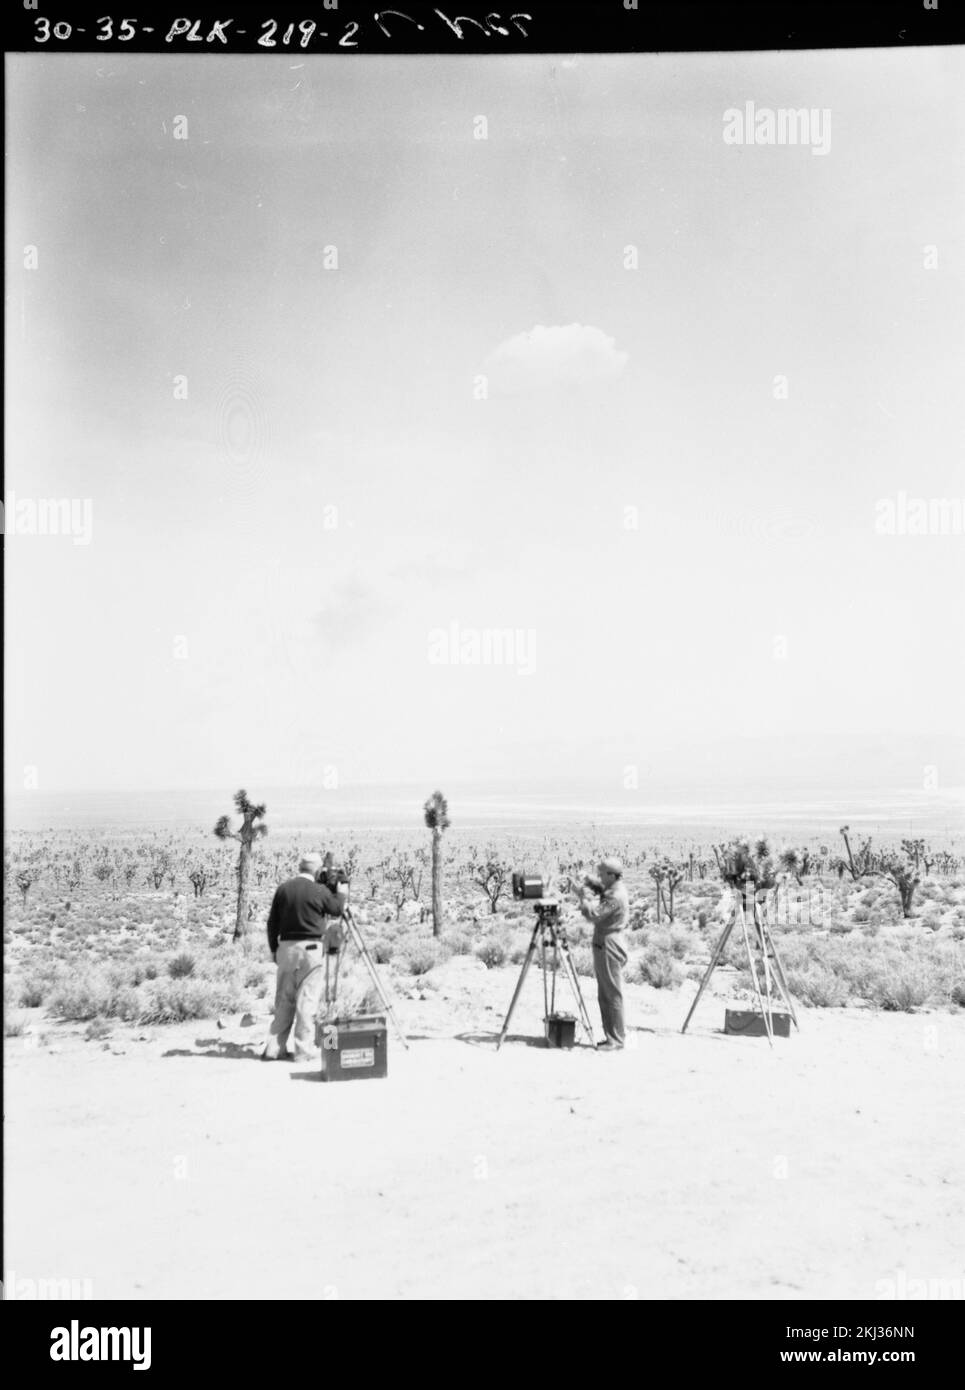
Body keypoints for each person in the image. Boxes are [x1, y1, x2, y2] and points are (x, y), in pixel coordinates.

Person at [262, 853, 346, 1062]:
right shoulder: (319, 890)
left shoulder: (284, 889)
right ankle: (303, 1051)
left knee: (284, 1000)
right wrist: (342, 891)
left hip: (286, 950)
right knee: (306, 1001)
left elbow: (272, 923)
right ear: (318, 871)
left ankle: (274, 1048)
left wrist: (274, 949)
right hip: (311, 949)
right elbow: (336, 910)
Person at [573, 856, 629, 1050]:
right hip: (604, 941)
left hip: (609, 944)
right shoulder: (614, 888)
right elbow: (601, 888)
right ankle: (611, 1036)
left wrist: (582, 896)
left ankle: (616, 1040)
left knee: (611, 993)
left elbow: (594, 915)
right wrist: (587, 880)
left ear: (612, 875)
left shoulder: (615, 896)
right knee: (605, 993)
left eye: (602, 874)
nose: (600, 877)